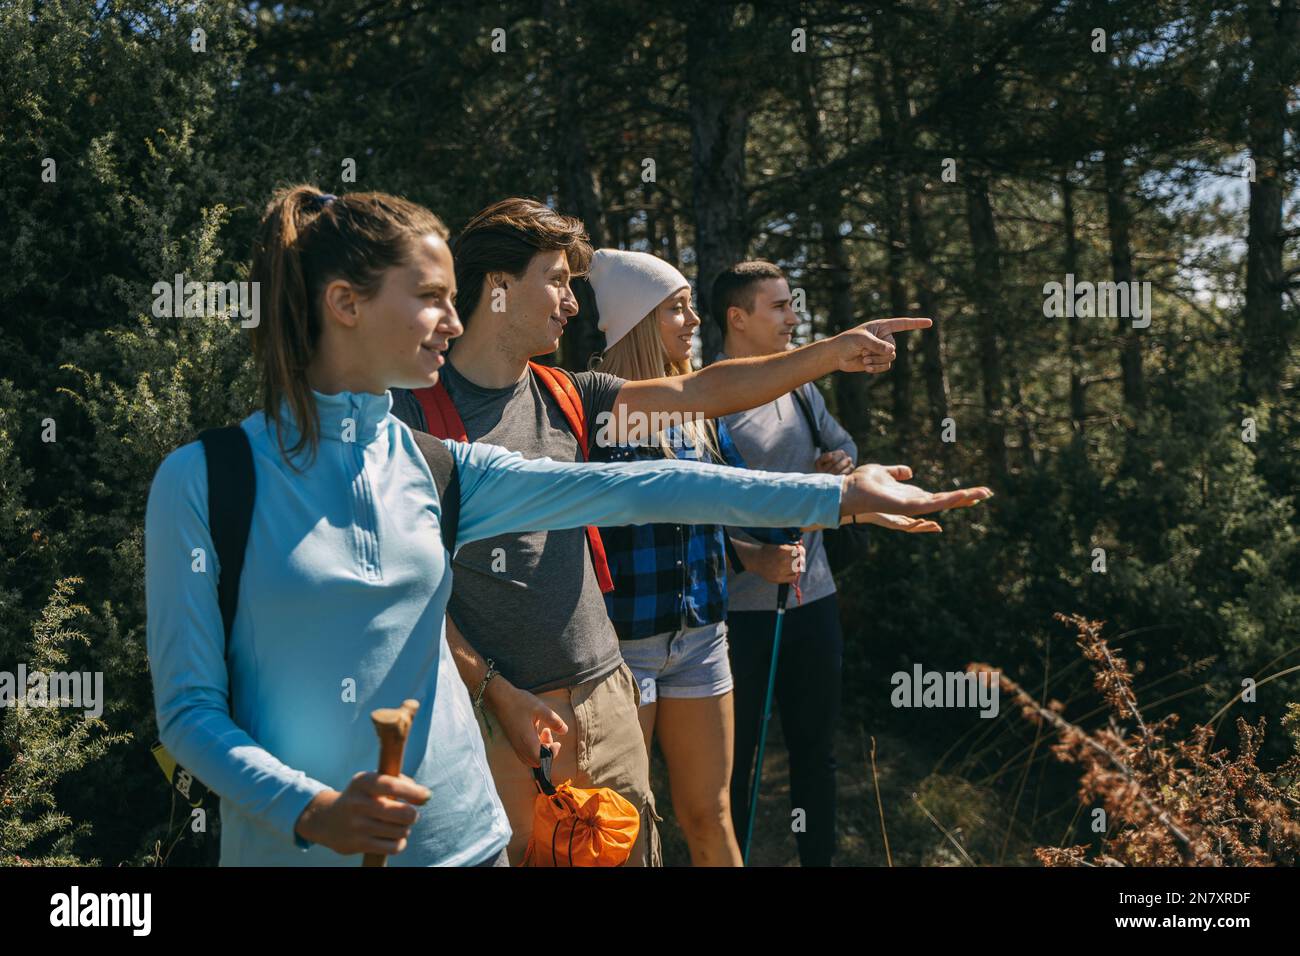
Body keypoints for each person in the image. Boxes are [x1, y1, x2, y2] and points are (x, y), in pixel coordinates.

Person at [146, 186, 990, 867]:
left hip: (473, 839)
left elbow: (648, 485)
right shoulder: (207, 481)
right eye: (432, 298)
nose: (450, 318)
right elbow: (187, 714)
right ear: (344, 304)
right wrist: (314, 812)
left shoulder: (434, 465)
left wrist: (838, 500)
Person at [389, 197, 957, 865]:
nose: (572, 304)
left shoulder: (574, 396)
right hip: (492, 714)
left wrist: (828, 354)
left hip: (606, 691)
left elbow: (699, 392)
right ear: (500, 288)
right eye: (557, 281)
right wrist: (495, 691)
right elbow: (410, 590)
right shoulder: (412, 415)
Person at [714, 259, 901, 866]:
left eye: (794, 305)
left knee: (815, 751)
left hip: (813, 600)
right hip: (736, 616)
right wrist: (751, 560)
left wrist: (839, 466)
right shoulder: (702, 398)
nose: (794, 318)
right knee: (735, 762)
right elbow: (687, 517)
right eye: (780, 307)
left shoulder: (801, 387)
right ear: (737, 319)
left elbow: (841, 445)